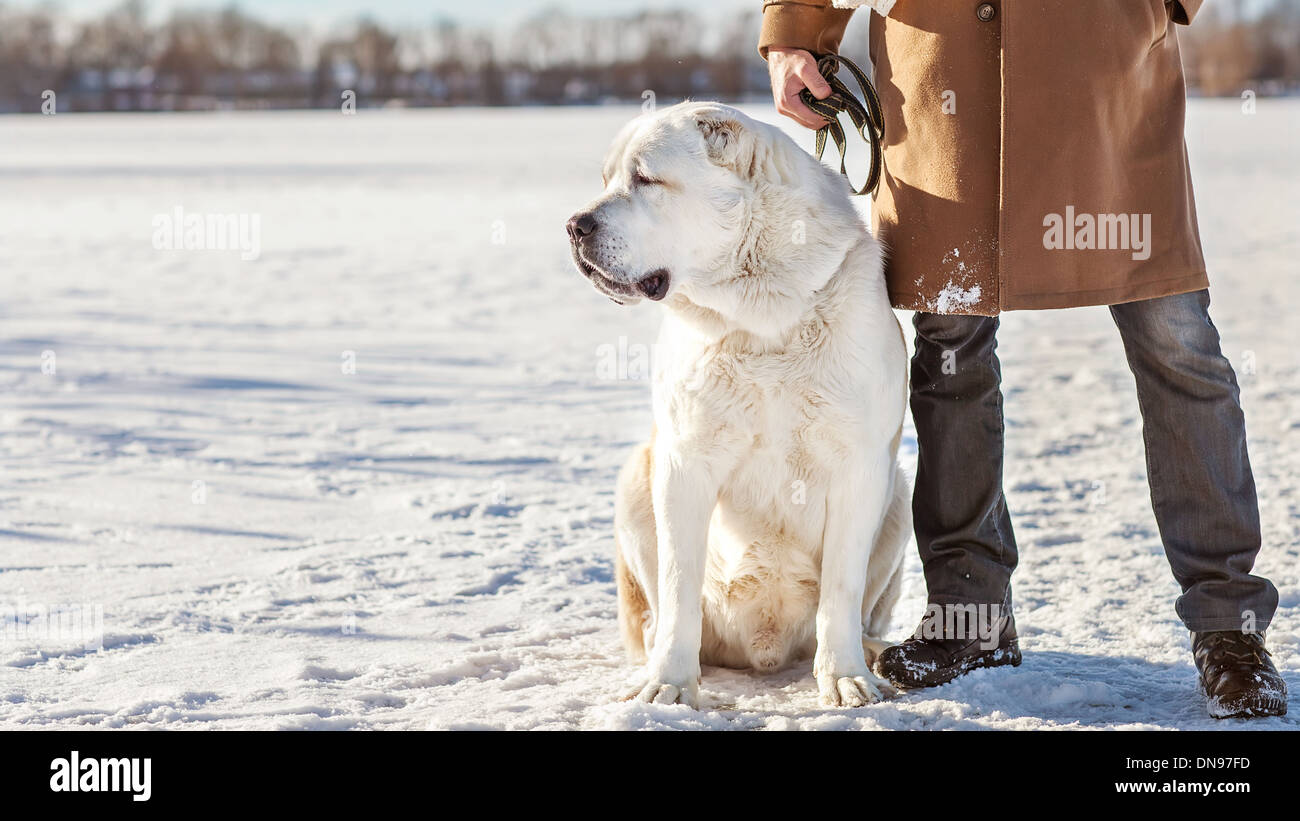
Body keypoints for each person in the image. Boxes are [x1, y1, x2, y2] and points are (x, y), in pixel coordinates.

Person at [759, 0, 1287, 718]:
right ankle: (968, 616)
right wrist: (796, 34)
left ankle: (1230, 625)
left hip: (1104, 69)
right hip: (945, 74)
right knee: (952, 349)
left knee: (1177, 341)